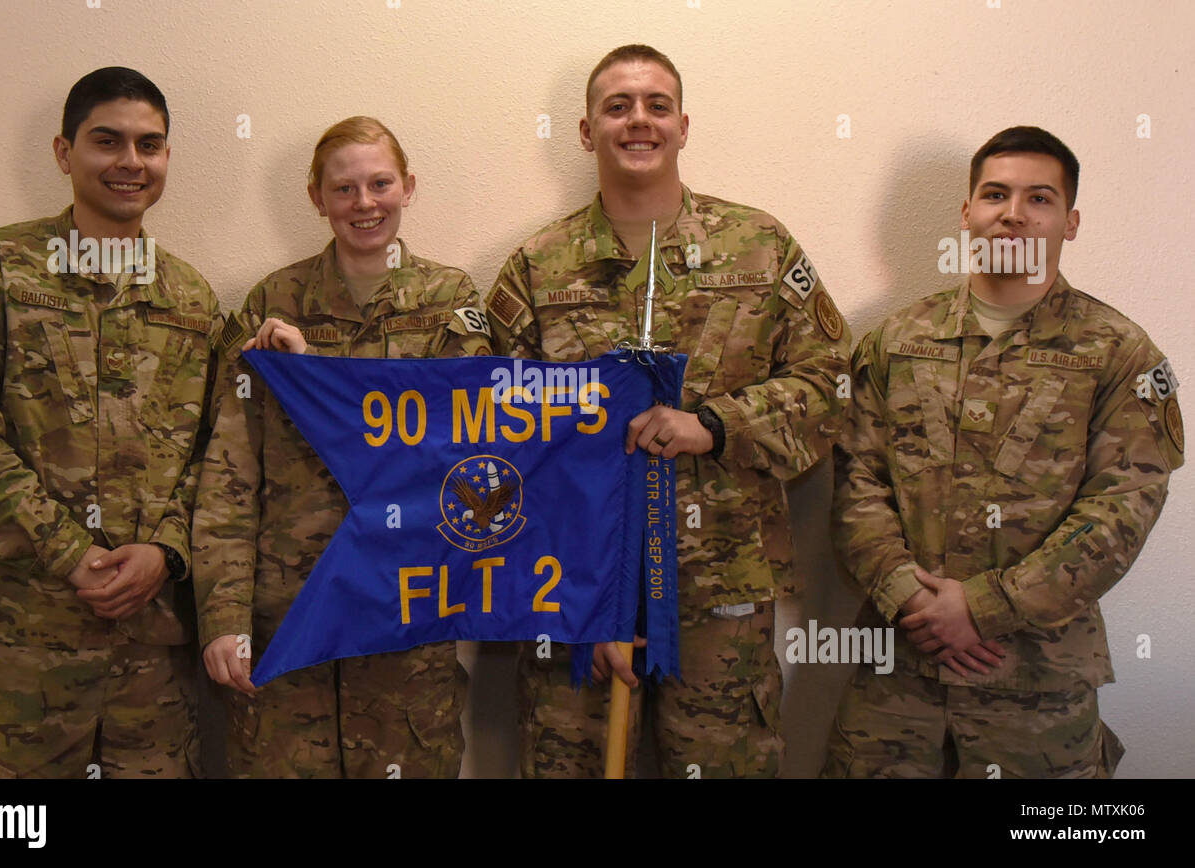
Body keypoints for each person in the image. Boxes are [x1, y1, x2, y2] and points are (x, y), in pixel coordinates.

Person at [486, 44, 851, 778]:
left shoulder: (760, 246)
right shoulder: (537, 266)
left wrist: (716, 426)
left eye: (655, 105)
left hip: (720, 585)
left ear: (684, 125)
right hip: (574, 586)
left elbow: (831, 384)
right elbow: (492, 426)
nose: (638, 121)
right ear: (587, 132)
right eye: (616, 107)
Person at [821, 126, 1184, 778]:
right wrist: (909, 596)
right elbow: (856, 481)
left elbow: (1120, 512)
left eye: (1039, 198)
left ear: (1070, 222)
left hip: (1036, 686)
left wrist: (984, 609)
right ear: (967, 212)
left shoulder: (1117, 352)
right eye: (995, 194)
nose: (1013, 213)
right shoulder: (896, 340)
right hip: (899, 674)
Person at [0, 67, 219, 777]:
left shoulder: (193, 299)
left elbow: (217, 454)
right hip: (19, 652)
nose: (130, 162)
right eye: (107, 141)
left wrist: (167, 552)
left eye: (150, 144)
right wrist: (67, 552)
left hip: (150, 662)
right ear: (64, 152)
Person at [192, 116, 493, 778]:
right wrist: (222, 615)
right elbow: (228, 475)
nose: (364, 204)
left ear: (408, 187)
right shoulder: (272, 305)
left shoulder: (451, 306)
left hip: (403, 624)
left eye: (380, 183)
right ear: (316, 198)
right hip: (287, 626)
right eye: (345, 188)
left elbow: (461, 463)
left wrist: (318, 373)